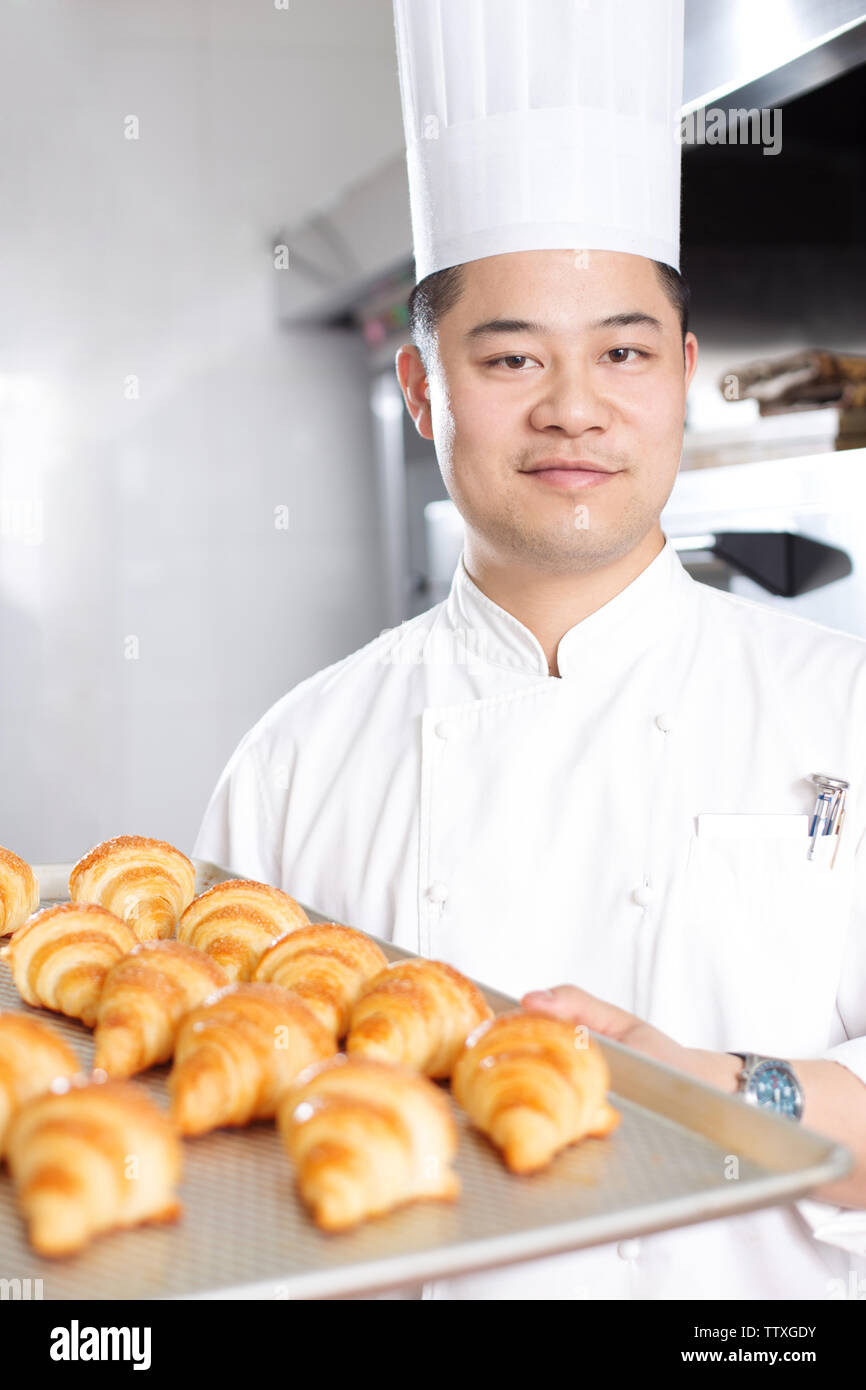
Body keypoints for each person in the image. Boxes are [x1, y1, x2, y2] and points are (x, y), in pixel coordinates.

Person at [193, 0, 866, 1298]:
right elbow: (220, 1153)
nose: (573, 408)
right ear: (420, 388)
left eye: (619, 353)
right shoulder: (293, 761)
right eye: (509, 358)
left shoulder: (843, 704)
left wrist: (715, 1088)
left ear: (677, 373)